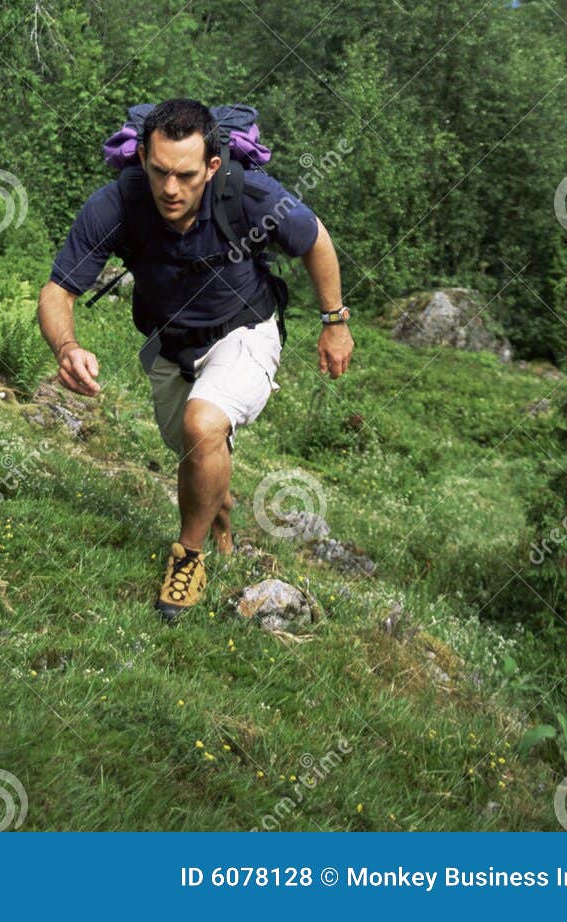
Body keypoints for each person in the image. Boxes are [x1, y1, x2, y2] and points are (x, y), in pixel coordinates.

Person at [37, 98, 354, 620]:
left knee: (203, 425)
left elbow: (314, 239)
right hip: (170, 346)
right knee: (195, 450)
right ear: (142, 157)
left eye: (185, 176)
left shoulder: (248, 194)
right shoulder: (116, 204)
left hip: (245, 330)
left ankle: (188, 560)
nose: (170, 189)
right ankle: (221, 520)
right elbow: (58, 292)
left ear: (211, 166)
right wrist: (67, 348)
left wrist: (334, 321)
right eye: (159, 172)